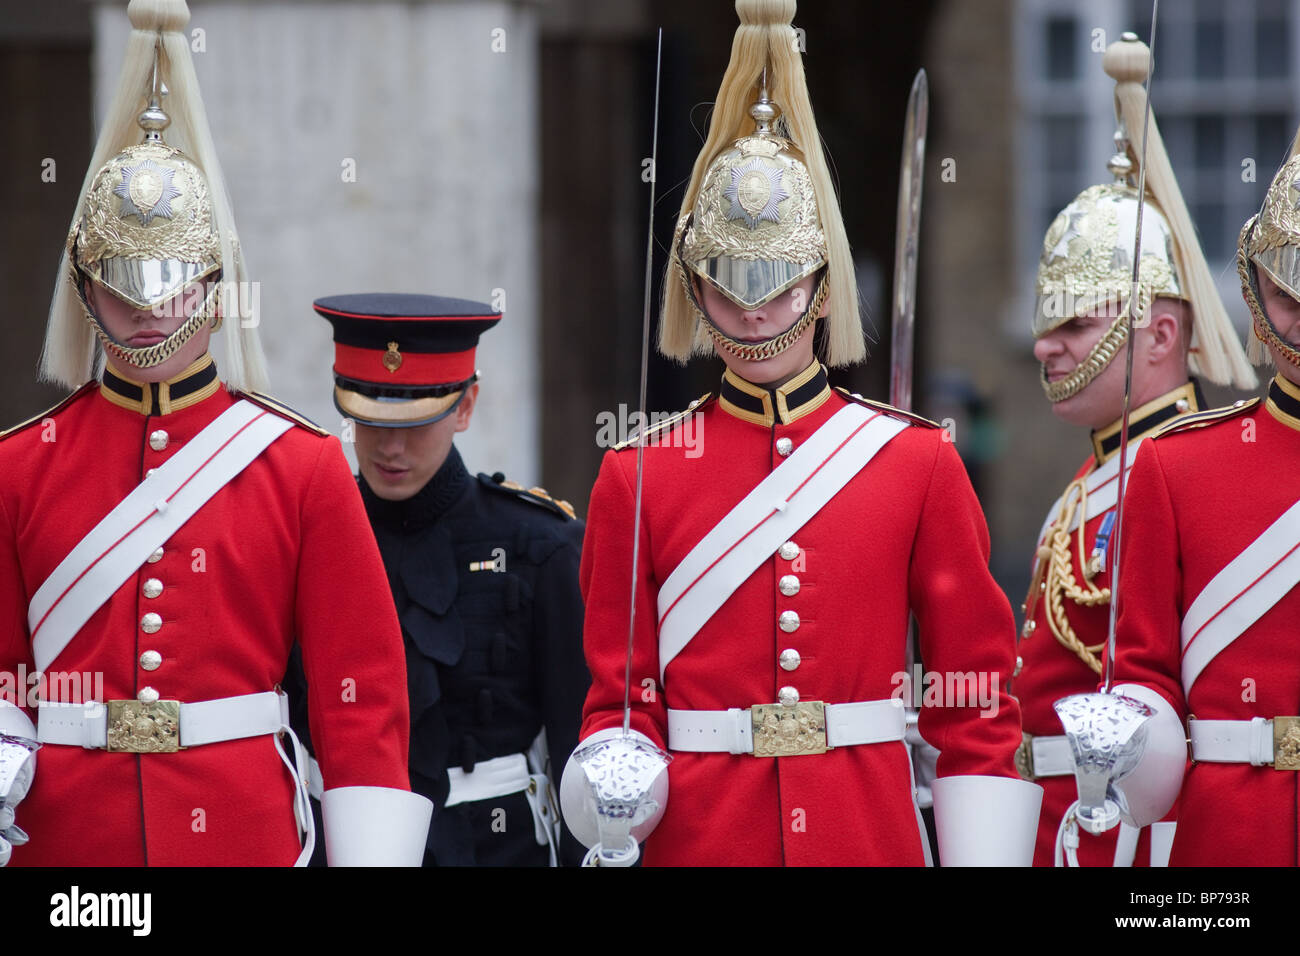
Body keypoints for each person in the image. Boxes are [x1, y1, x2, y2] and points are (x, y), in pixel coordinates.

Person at [559, 0, 1040, 867]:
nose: (753, 310)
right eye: (730, 284)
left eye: (779, 283)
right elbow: (621, 701)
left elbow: (973, 698)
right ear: (695, 292)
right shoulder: (638, 474)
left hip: (864, 833)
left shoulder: (913, 462)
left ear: (822, 289)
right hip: (702, 839)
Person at [0, 0, 429, 867]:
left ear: (213, 282)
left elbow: (361, 699)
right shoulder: (17, 466)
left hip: (241, 832)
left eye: (170, 282)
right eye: (121, 284)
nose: (147, 308)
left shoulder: (300, 467)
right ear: (85, 288)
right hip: (69, 843)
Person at [1013, 34, 1255, 867]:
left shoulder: (1190, 476)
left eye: (1075, 323)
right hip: (1060, 826)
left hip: (1138, 838)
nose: (1046, 348)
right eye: (1044, 326)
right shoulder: (1095, 472)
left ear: (1157, 332)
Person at [297, 293, 588, 866]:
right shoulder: (305, 541)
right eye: (371, 421)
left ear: (464, 406)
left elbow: (578, 744)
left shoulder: (539, 544)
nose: (391, 447)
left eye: (416, 421)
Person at [1103, 125, 1300, 866]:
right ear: (1255, 293)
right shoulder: (1176, 466)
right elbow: (1142, 667)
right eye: (1285, 292)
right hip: (1229, 833)